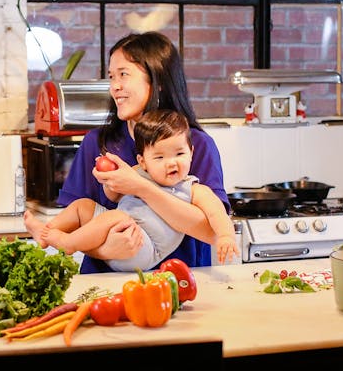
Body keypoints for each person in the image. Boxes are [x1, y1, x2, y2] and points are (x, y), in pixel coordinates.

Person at [56, 31, 232, 273]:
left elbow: (211, 232)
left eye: (124, 75)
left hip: (179, 284)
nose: (114, 87)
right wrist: (106, 251)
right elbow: (75, 224)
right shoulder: (98, 143)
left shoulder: (196, 145)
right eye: (111, 77)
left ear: (158, 81)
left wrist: (140, 187)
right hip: (104, 285)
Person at [24, 109, 238, 269]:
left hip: (146, 248)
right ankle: (47, 232)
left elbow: (217, 214)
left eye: (179, 154)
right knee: (83, 207)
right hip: (119, 235)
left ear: (192, 152)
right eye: (160, 157)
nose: (171, 163)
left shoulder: (193, 188)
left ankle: (68, 243)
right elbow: (113, 195)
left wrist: (226, 237)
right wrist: (110, 181)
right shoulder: (138, 172)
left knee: (117, 217)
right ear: (142, 161)